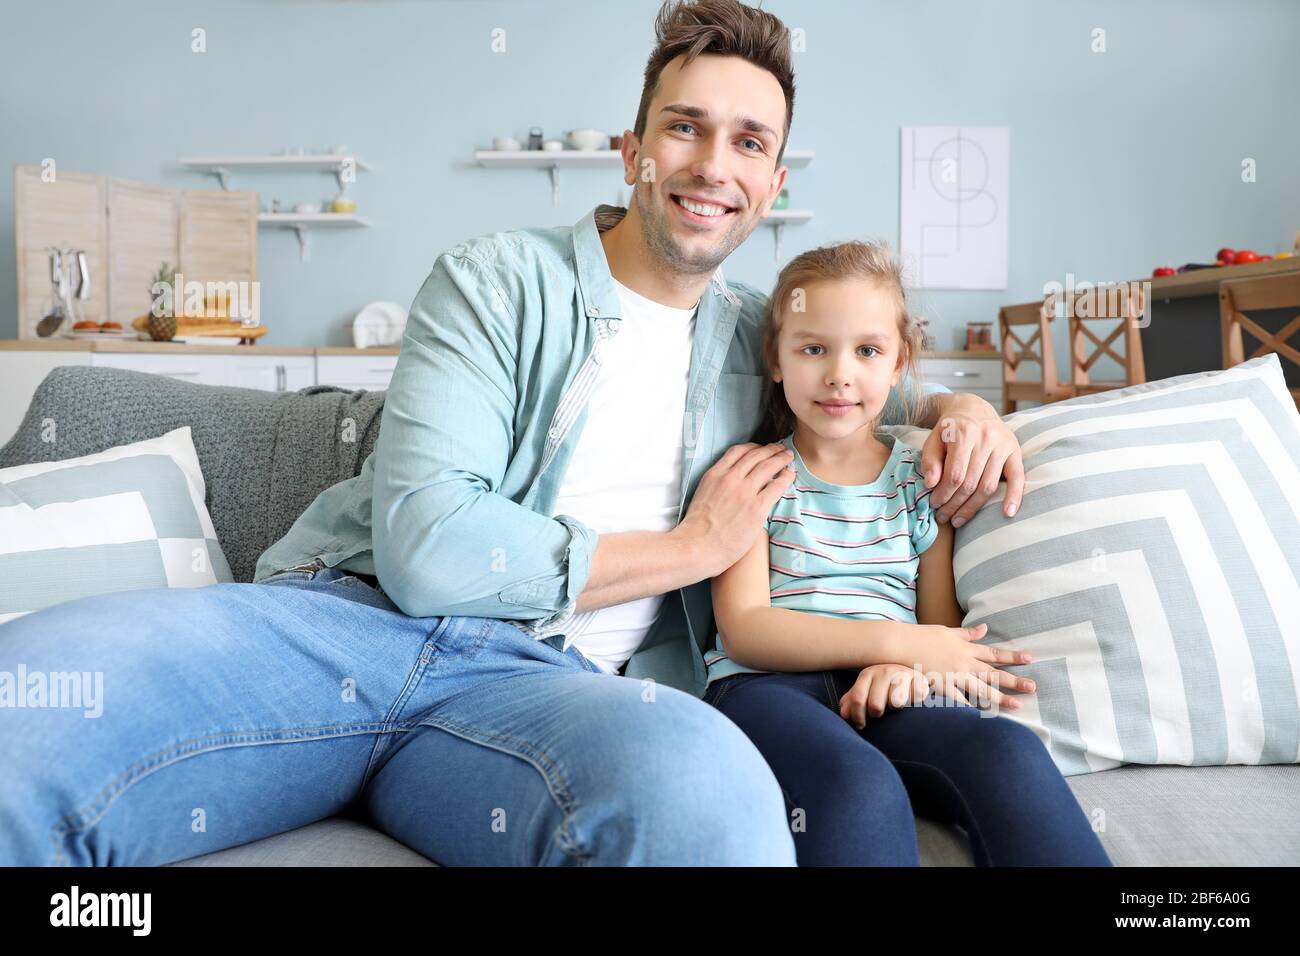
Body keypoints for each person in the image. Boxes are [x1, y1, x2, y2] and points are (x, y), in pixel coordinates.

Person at [0, 0, 1024, 866]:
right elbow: (427, 546)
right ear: (632, 149)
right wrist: (687, 549)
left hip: (553, 696)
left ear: (771, 184)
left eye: (749, 142)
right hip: (342, 624)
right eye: (685, 127)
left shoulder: (766, 336)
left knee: (709, 801)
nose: (713, 163)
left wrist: (961, 412)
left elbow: (866, 396)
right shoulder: (495, 279)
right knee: (30, 705)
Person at [704, 239, 1111, 865]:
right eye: (813, 348)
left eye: (868, 351)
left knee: (1008, 751)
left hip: (894, 686)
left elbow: (938, 626)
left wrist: (908, 669)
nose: (841, 373)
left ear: (899, 365)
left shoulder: (920, 477)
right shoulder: (751, 477)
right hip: (767, 688)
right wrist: (895, 645)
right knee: (855, 785)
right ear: (777, 360)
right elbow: (745, 629)